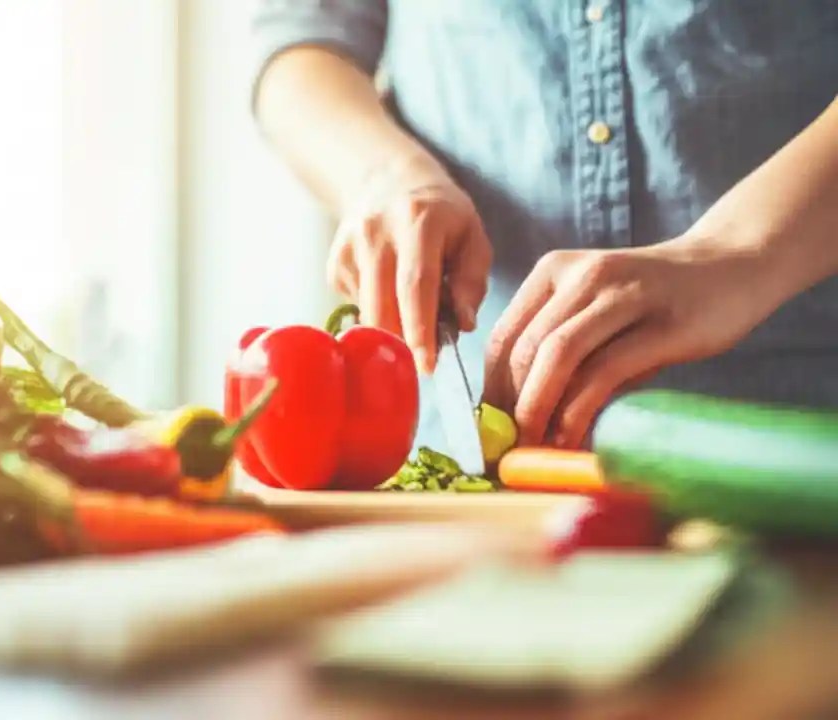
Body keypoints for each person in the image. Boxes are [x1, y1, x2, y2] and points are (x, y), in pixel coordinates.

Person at [249, 1, 838, 450]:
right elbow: (303, 40)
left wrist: (737, 251)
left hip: (802, 442)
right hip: (464, 444)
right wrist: (384, 174)